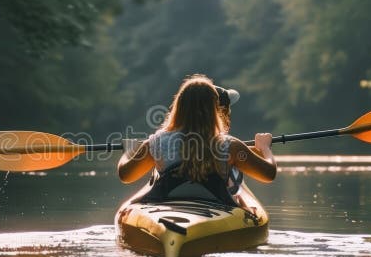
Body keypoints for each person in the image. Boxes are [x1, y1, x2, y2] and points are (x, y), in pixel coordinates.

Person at [117, 74, 276, 204]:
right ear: (215, 110)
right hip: (216, 204)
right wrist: (264, 148)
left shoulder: (157, 142)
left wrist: (129, 151)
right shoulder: (230, 146)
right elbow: (269, 174)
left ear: (178, 107)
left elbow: (125, 176)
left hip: (168, 204)